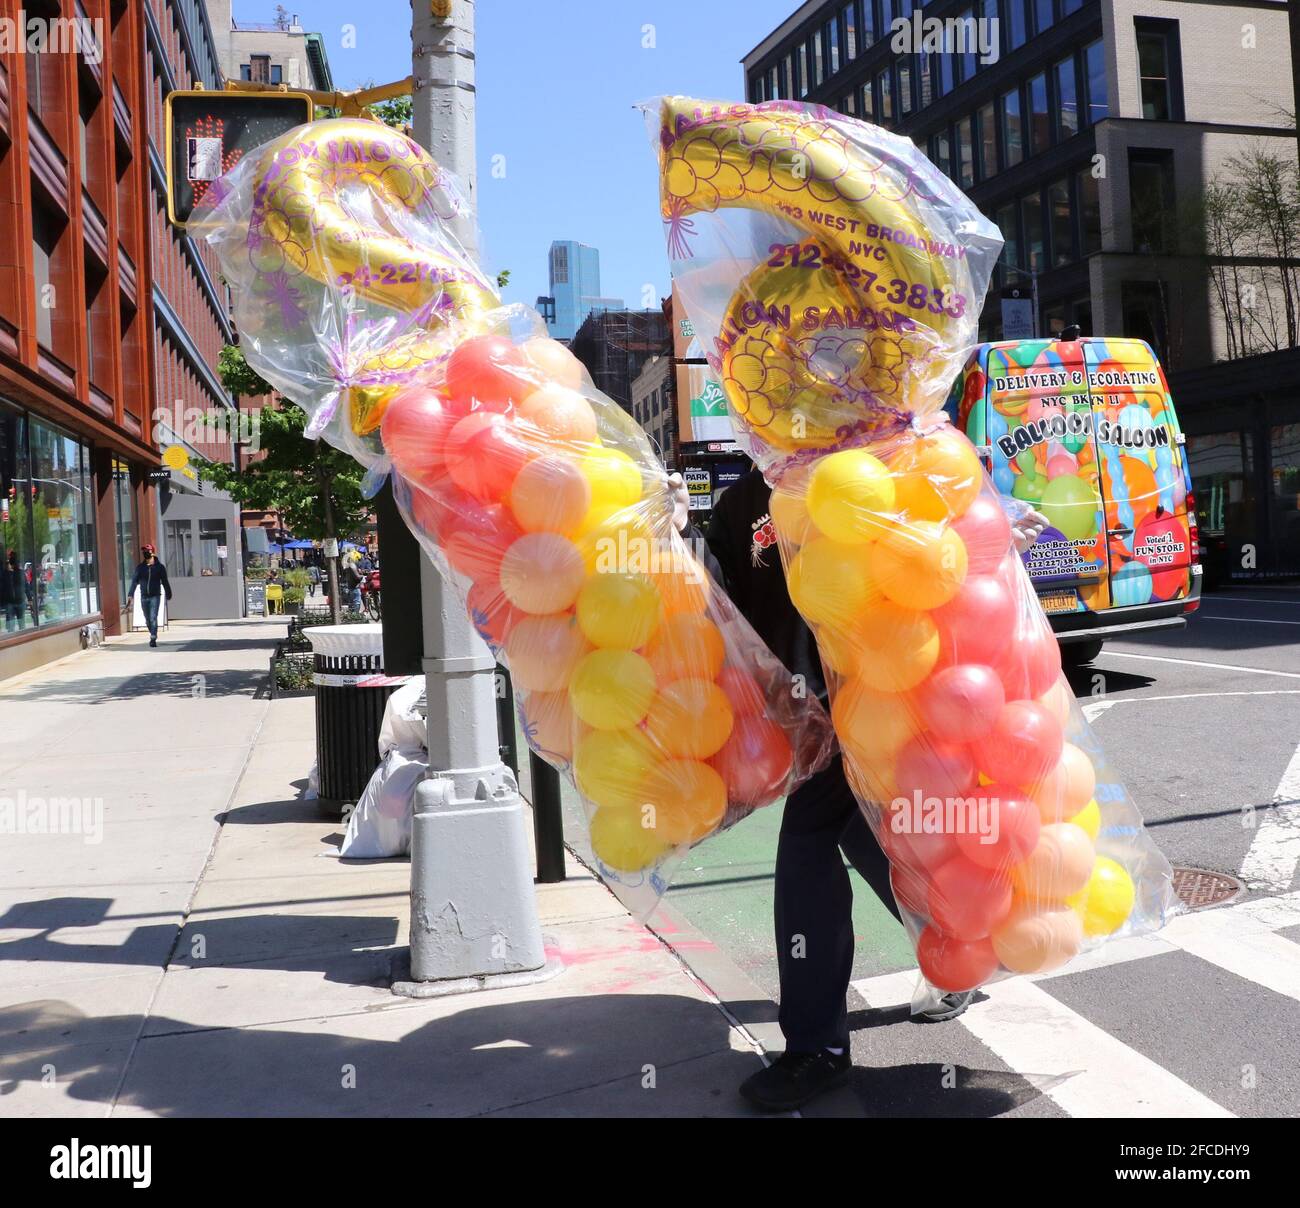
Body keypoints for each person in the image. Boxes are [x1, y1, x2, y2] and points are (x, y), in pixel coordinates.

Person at [669, 465, 1046, 1113]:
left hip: (893, 695)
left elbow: (932, 544)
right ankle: (954, 944)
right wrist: (676, 539)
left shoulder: (871, 462)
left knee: (810, 843)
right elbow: (719, 597)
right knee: (867, 828)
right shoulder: (746, 499)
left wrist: (988, 528)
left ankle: (818, 1048)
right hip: (810, 708)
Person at [127, 543, 173, 647]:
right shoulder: (140, 568)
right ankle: (152, 633)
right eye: (144, 552)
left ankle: (153, 637)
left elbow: (165, 581)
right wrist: (130, 594)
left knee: (153, 617)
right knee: (147, 619)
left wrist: (169, 593)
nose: (145, 553)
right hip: (144, 596)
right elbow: (134, 581)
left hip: (155, 596)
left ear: (153, 552)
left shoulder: (160, 567)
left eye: (147, 551)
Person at [1, 550, 23, 632]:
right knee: (11, 626)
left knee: (21, 625)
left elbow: (25, 586)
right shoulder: (6, 574)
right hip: (12, 601)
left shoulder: (18, 573)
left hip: (17, 601)